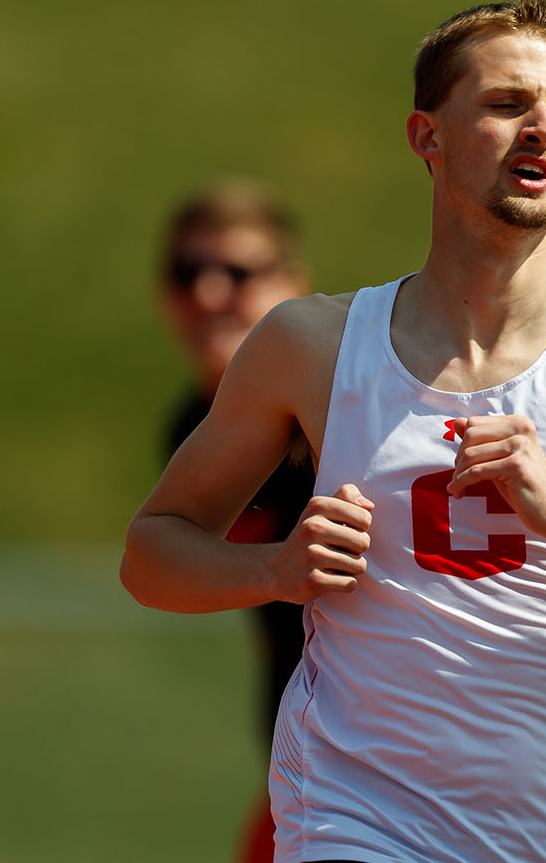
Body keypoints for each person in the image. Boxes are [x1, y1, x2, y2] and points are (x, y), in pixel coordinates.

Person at [123, 0, 546, 863]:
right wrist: (275, 568)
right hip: (351, 820)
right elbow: (151, 553)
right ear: (426, 136)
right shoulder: (311, 348)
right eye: (508, 103)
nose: (540, 130)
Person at [154, 178, 313, 863]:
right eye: (189, 273)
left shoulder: (333, 411)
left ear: (294, 287)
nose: (210, 294)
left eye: (239, 273)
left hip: (393, 766)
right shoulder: (194, 428)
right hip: (299, 766)